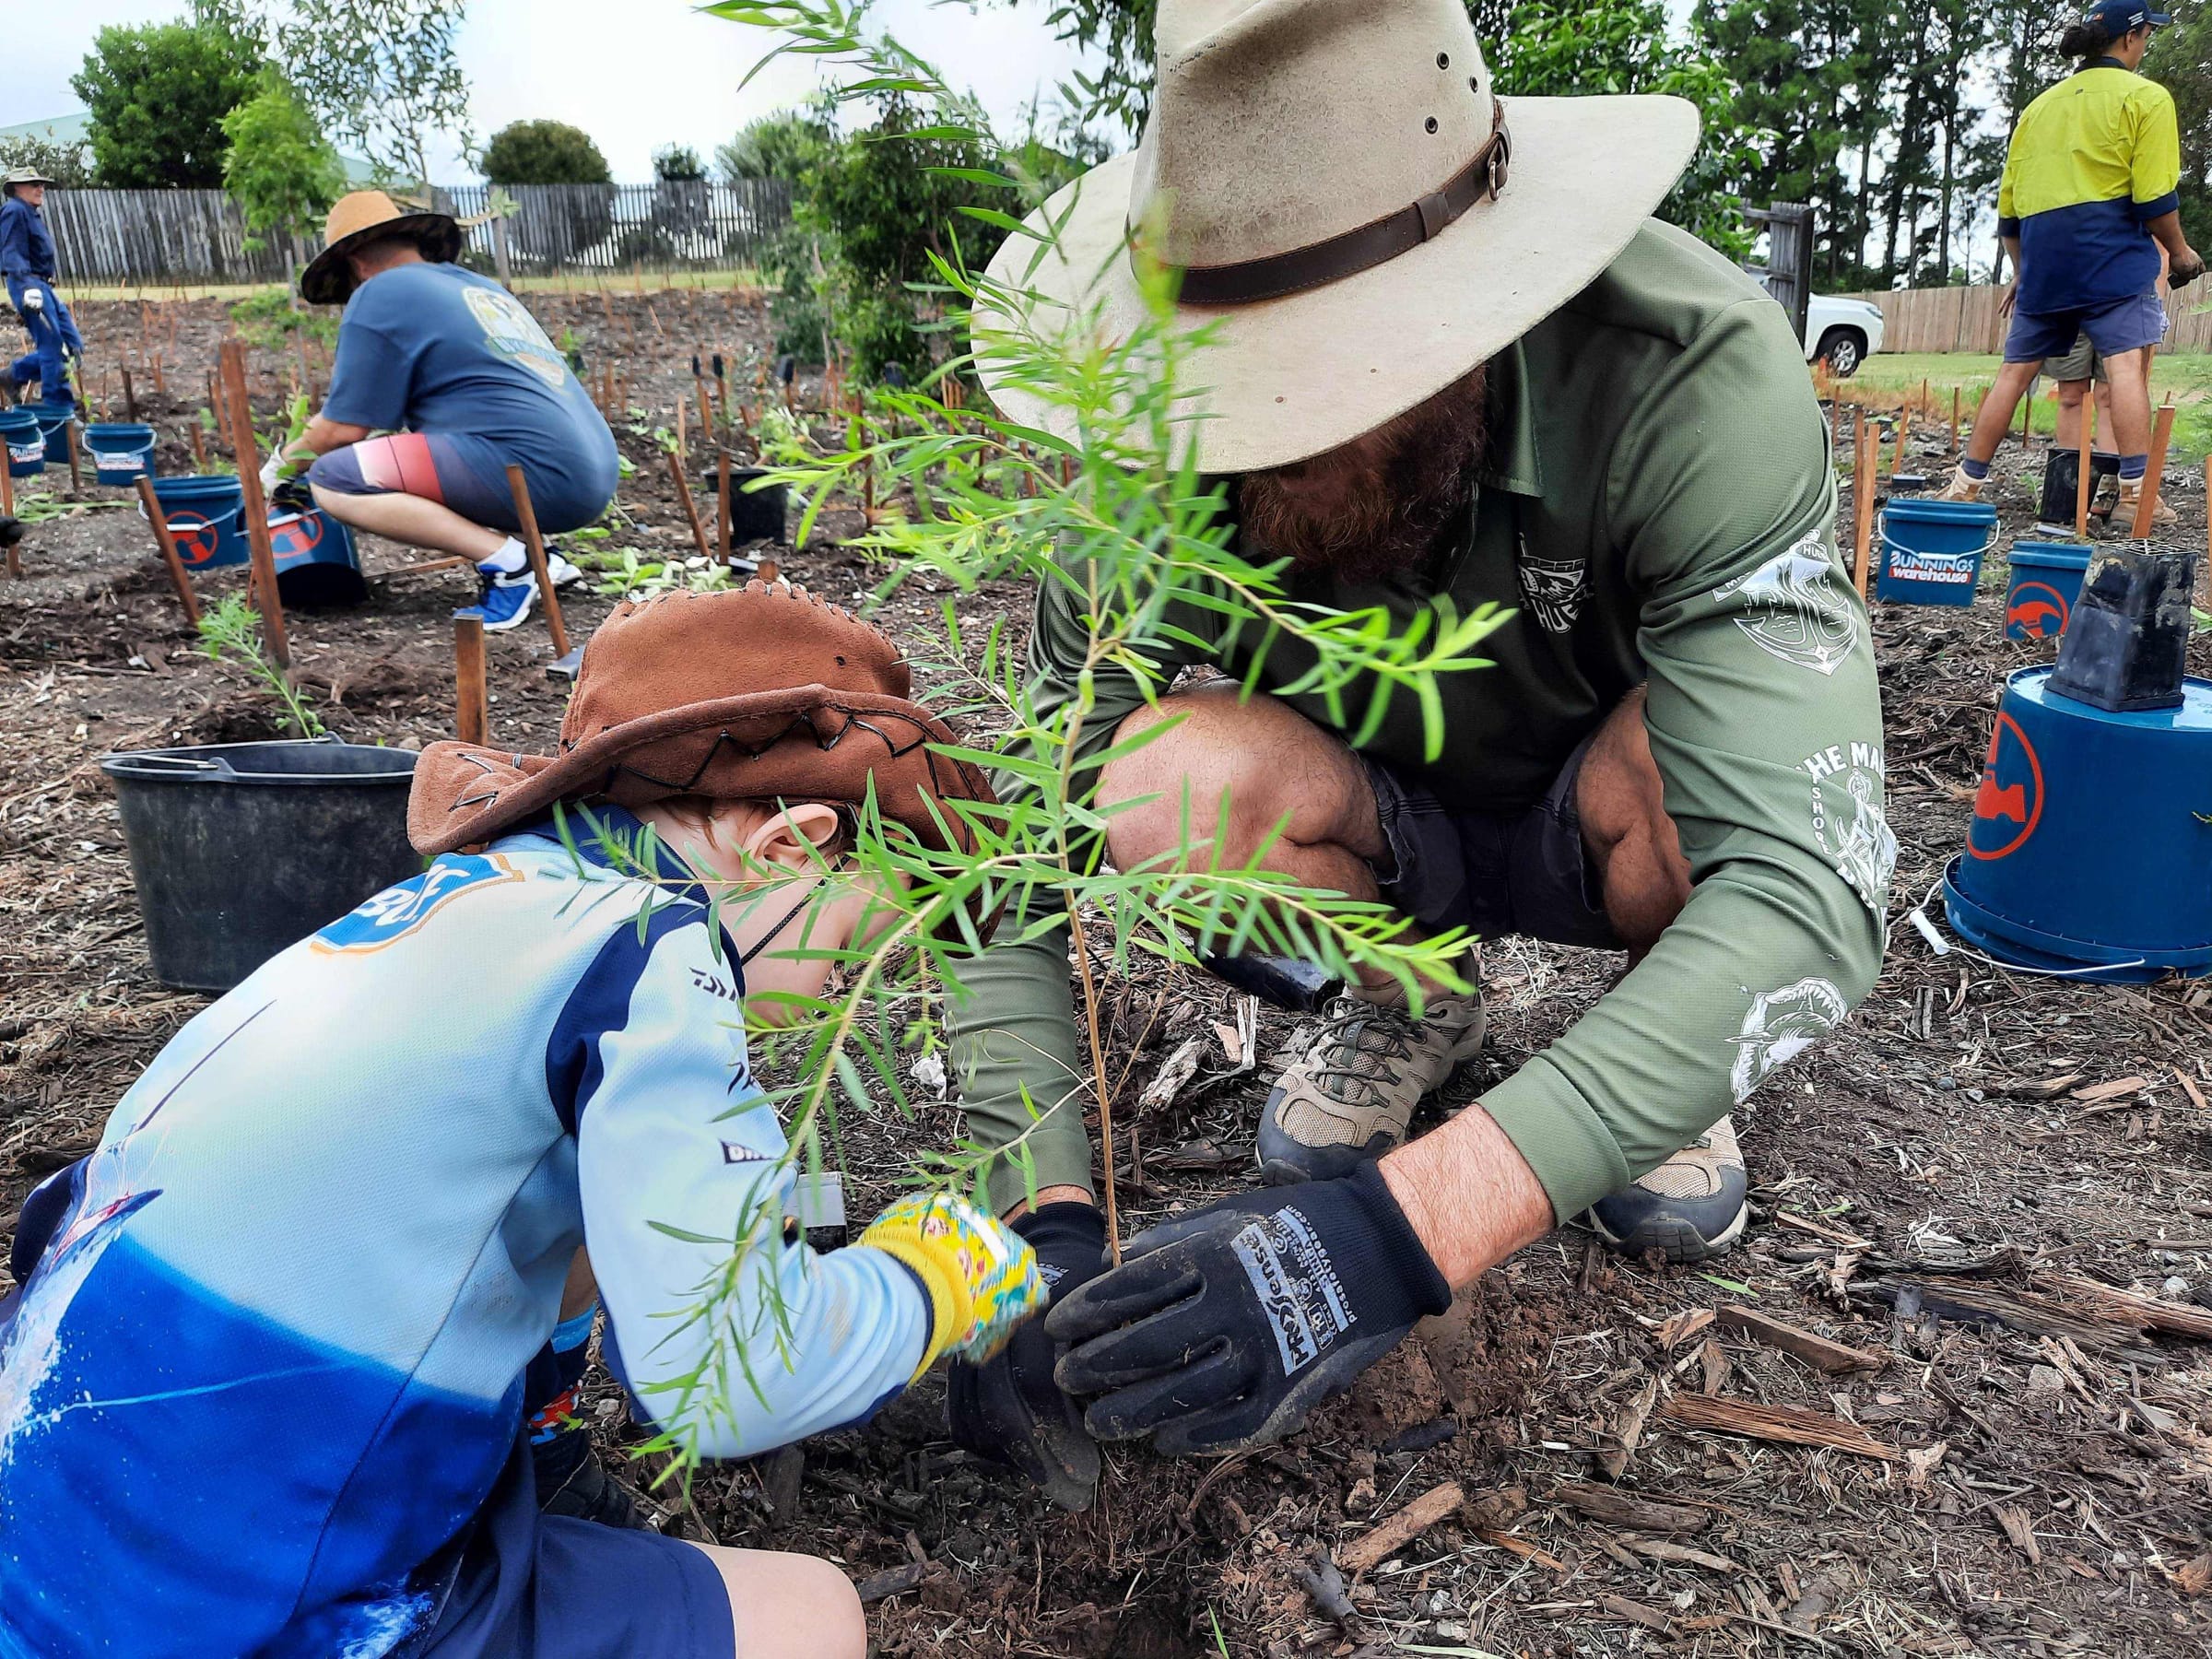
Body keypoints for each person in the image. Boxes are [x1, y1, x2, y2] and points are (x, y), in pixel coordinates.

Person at [940, 0, 1888, 1502]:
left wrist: (1394, 1237)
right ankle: (1408, 989)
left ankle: (1662, 1053)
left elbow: (1815, 886)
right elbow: (1001, 850)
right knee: (1156, 787)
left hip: (1608, 809)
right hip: (1375, 826)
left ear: (1466, 323)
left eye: (1306, 410)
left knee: (1713, 794)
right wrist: (1038, 1234)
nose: (1241, 467)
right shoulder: (1153, 457)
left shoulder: (1688, 377)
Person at [0, 583, 1043, 1659]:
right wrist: (943, 1273)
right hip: (232, 1592)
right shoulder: (654, 948)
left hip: (57, 1509)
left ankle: (531, 1454)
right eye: (870, 930)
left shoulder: (472, 897)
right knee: (807, 1615)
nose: (851, 986)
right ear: (792, 847)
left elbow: (508, 1207)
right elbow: (729, 1378)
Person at [263, 191, 620, 632]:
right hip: (592, 472)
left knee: (333, 479)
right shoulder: (476, 286)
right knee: (403, 455)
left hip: (540, 474)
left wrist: (280, 469)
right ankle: (542, 558)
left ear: (354, 264)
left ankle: (513, 566)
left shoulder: (379, 292)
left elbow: (341, 429)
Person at [1941, 0, 2202, 525]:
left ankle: (1963, 486)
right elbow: (2154, 199)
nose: (2146, 45)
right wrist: (2179, 252)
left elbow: (2009, 215)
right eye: (2147, 36)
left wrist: (2023, 272)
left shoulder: (2038, 108)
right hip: (2109, 254)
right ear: (2131, 39)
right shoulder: (2147, 98)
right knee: (2125, 368)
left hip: (2044, 258)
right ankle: (2131, 498)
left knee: (2013, 375)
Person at [1, 167, 85, 411]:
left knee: (71, 347)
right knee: (52, 346)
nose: (41, 188)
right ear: (17, 188)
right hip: (28, 285)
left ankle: (12, 375)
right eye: (33, 183)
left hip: (42, 286)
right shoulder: (14, 211)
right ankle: (59, 411)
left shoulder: (29, 213)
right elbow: (10, 250)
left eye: (41, 183)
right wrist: (27, 288)